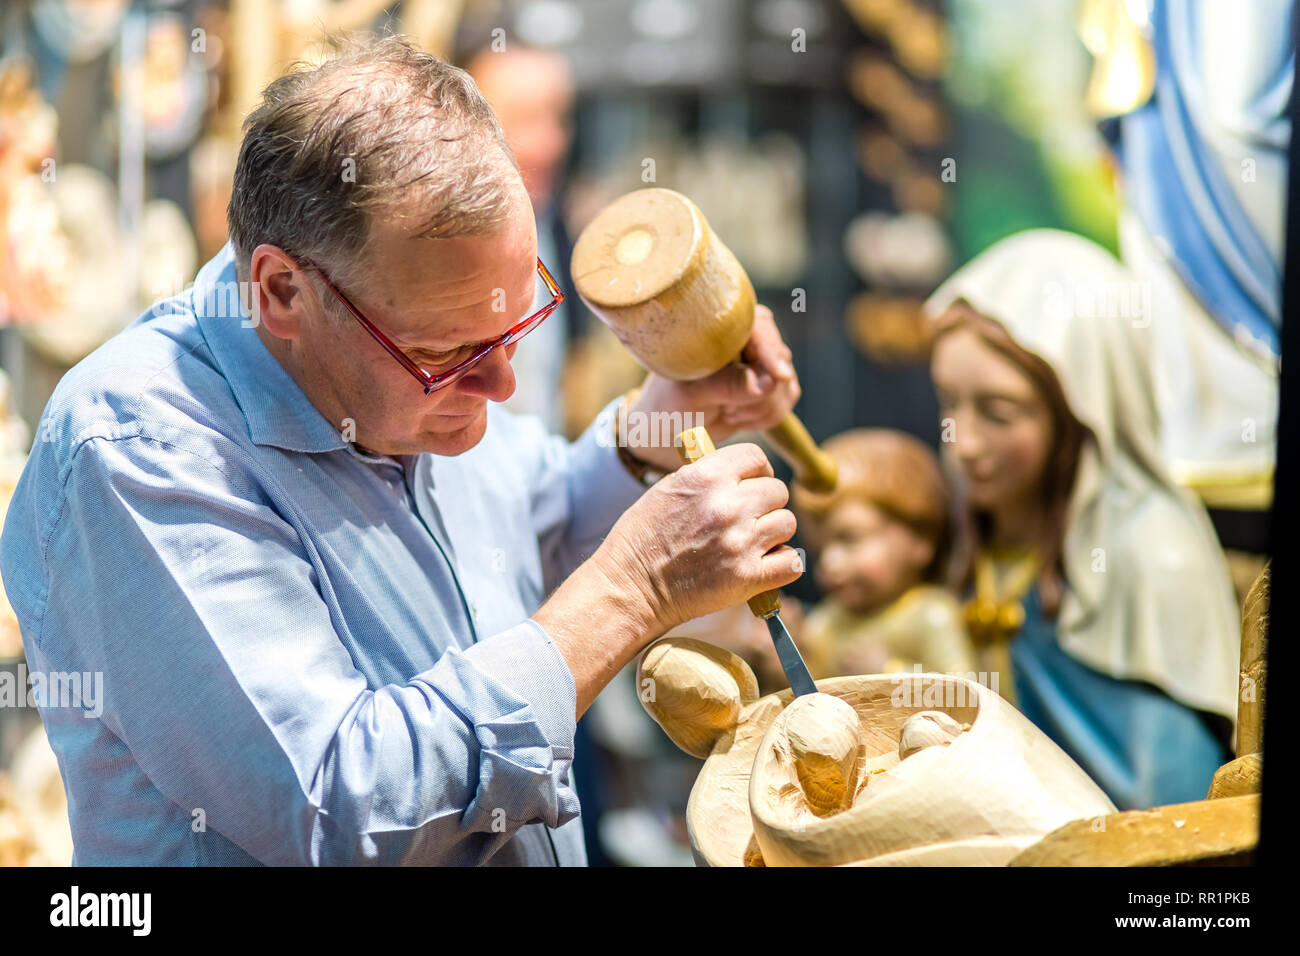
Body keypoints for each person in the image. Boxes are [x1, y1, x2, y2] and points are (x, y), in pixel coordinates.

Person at [0, 36, 805, 866]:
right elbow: (338, 808)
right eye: (448, 352)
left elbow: (535, 517)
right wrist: (633, 590)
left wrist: (653, 427)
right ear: (283, 292)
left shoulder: (400, 355)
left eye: (516, 325)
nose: (498, 384)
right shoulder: (141, 445)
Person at [925, 228, 1240, 810]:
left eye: (998, 413)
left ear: (1081, 414)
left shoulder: (1150, 555)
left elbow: (1165, 800)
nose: (963, 444)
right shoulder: (972, 529)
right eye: (949, 403)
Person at [791, 429, 977, 683]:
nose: (829, 563)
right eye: (818, 550)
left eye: (850, 539)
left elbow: (964, 693)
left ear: (919, 539)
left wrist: (889, 671)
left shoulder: (930, 617)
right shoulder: (824, 625)